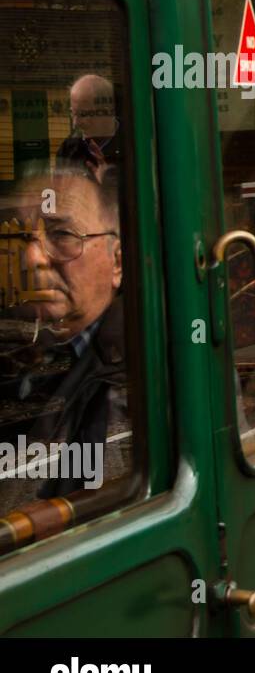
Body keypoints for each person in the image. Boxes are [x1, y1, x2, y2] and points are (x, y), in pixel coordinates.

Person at [0, 165, 128, 511]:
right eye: (16, 237)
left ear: (117, 261)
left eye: (61, 235)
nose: (32, 258)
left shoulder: (151, 370)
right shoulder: (18, 347)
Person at [55, 74, 120, 182]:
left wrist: (108, 184)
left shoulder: (134, 143)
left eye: (83, 114)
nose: (75, 123)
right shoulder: (68, 149)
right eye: (73, 113)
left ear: (106, 112)